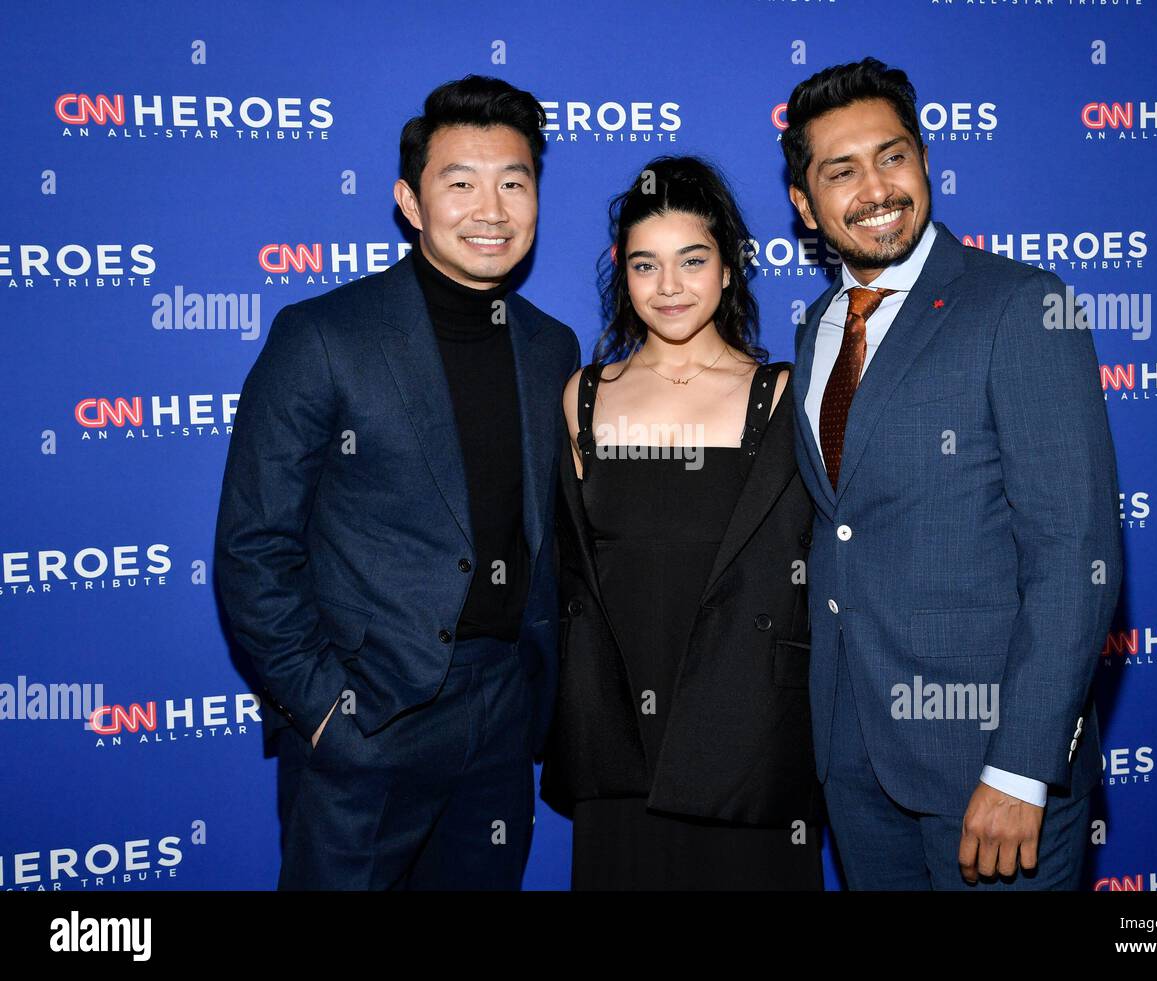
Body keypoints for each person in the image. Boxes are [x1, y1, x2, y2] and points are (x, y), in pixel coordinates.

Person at [214, 75, 579, 890]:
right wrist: (323, 710)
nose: (492, 208)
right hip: (368, 719)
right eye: (461, 182)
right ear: (410, 202)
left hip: (502, 716)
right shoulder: (322, 336)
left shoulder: (550, 346)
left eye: (514, 182)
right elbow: (253, 545)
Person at [781, 58, 1122, 890]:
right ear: (805, 206)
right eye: (842, 171)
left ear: (926, 161)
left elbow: (1074, 552)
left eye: (892, 157)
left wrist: (1020, 769)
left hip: (991, 773)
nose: (877, 188)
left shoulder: (1019, 306)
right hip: (856, 764)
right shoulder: (818, 326)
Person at [539, 156, 824, 890]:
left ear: (728, 269)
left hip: (749, 748)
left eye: (691, 260)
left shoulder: (785, 397)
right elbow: (573, 577)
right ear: (623, 277)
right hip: (620, 750)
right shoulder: (585, 398)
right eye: (645, 265)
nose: (668, 286)